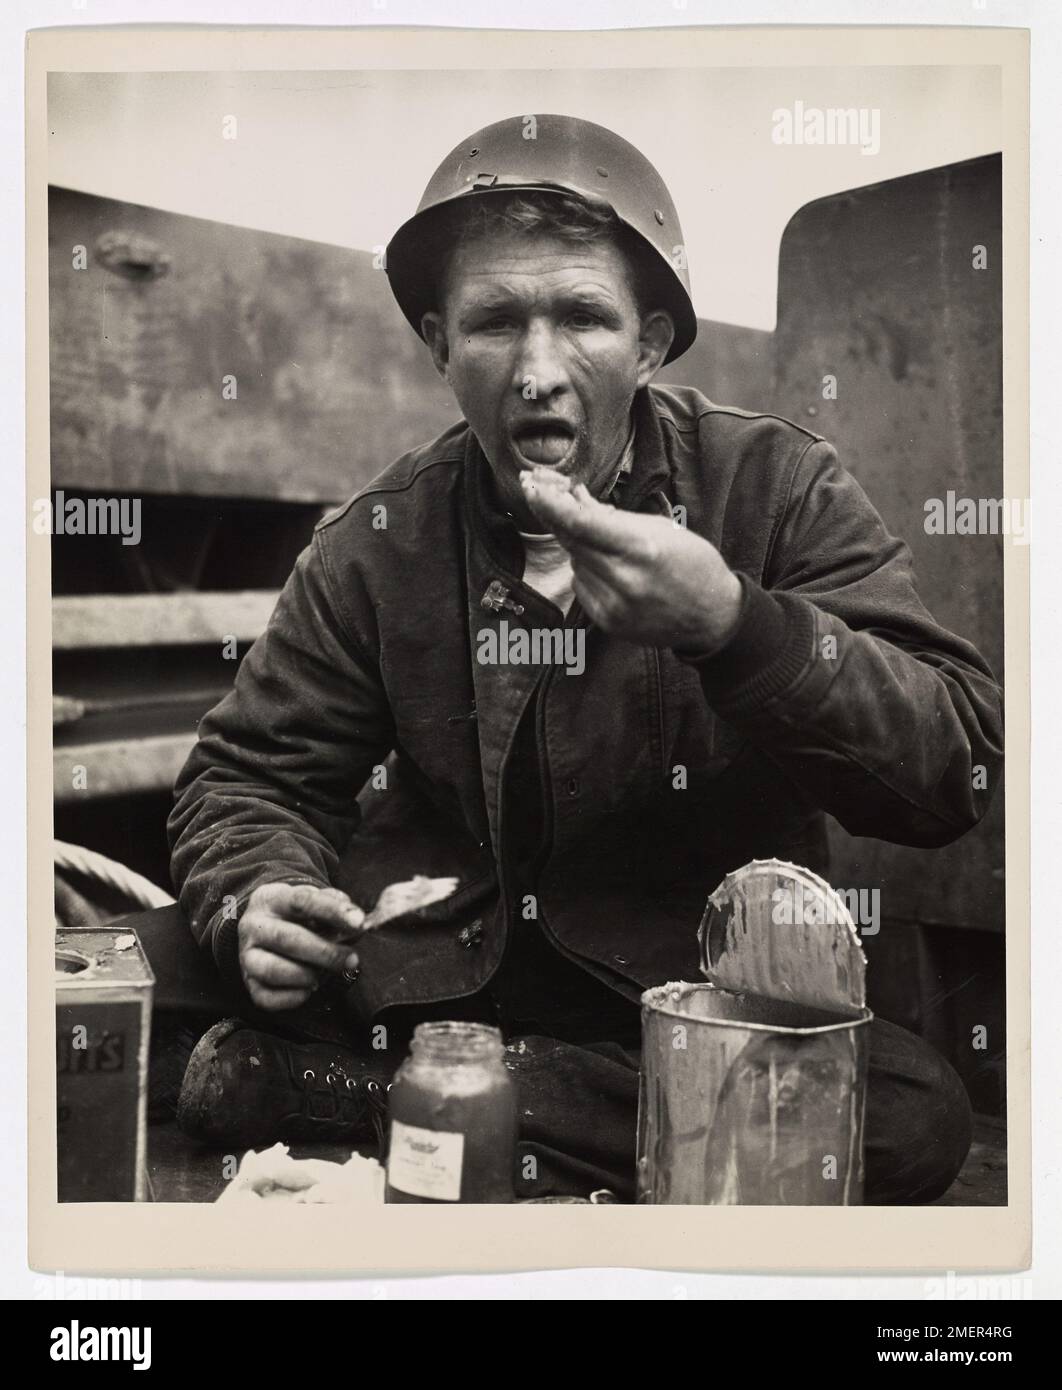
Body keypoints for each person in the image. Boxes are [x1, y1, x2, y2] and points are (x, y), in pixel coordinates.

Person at [167, 115, 1003, 1202]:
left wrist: (737, 626)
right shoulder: (380, 541)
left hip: (692, 1002)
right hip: (434, 981)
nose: (537, 371)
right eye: (495, 321)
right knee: (136, 966)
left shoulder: (776, 489)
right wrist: (255, 894)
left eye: (583, 319)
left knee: (906, 1115)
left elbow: (953, 763)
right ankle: (462, 1100)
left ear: (650, 343)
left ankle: (379, 1103)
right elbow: (248, 774)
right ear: (436, 342)